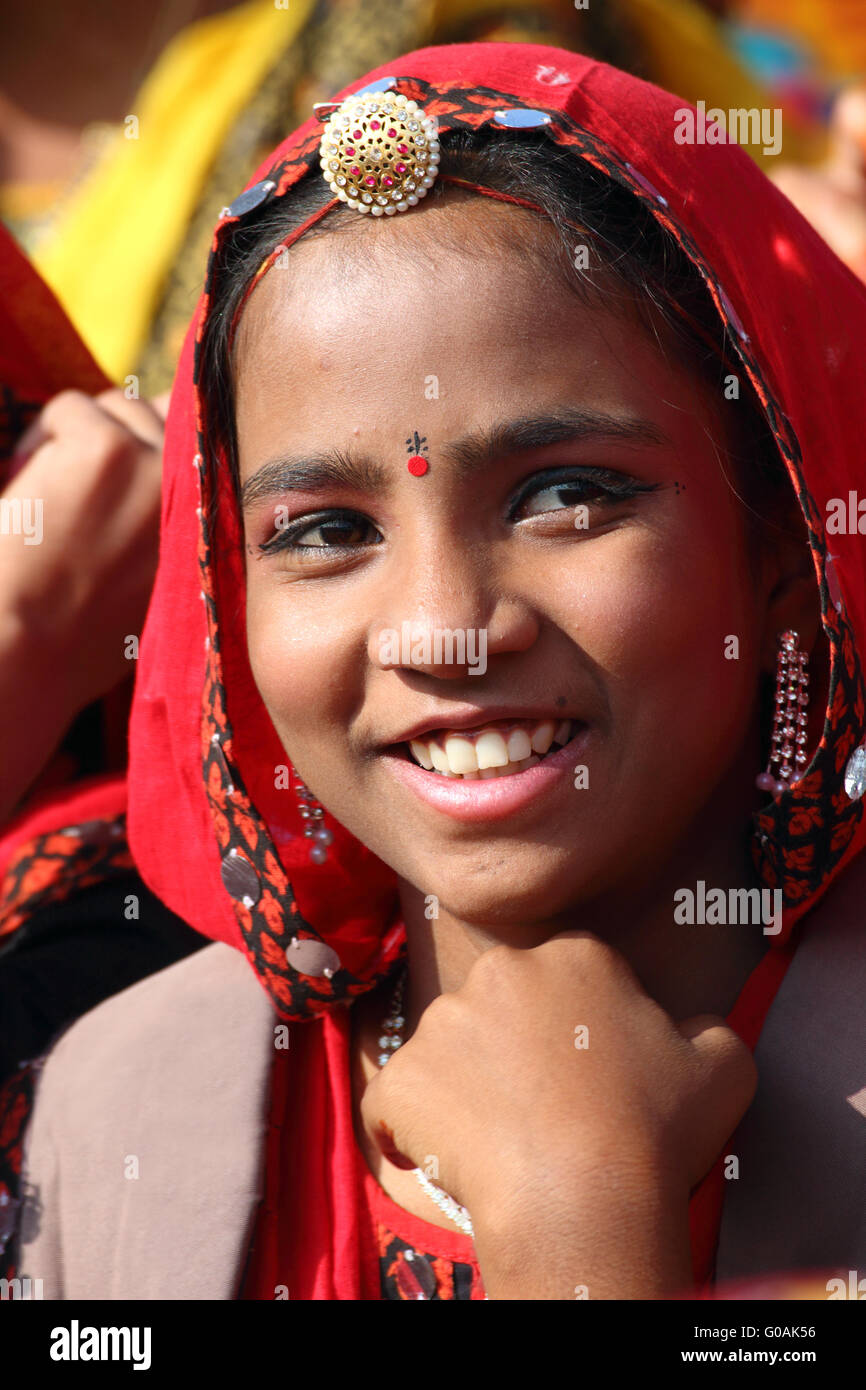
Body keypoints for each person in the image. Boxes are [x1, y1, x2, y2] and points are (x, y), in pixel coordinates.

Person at [3, 39, 866, 1300]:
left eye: (565, 495)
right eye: (326, 532)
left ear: (785, 548)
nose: (441, 627)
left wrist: (579, 1223)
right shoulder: (120, 1105)